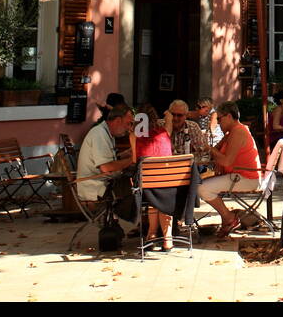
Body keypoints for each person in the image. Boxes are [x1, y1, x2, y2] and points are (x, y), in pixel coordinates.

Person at [198, 102, 262, 236]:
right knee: (200, 183)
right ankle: (227, 218)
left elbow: (226, 160)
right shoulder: (233, 131)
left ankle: (229, 218)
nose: (219, 123)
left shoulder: (238, 131)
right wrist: (211, 149)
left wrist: (208, 148)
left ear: (228, 116)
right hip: (239, 175)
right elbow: (216, 151)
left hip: (246, 178)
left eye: (219, 119)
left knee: (202, 187)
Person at [76, 104, 137, 227]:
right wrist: (133, 159)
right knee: (138, 191)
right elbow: (106, 167)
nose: (130, 128)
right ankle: (144, 225)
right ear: (118, 120)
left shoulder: (106, 132)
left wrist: (124, 155)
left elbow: (108, 160)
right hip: (94, 187)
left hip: (100, 182)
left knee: (135, 183)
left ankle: (141, 224)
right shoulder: (99, 134)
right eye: (128, 123)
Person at [132, 104, 174, 250]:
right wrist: (168, 114)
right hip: (169, 185)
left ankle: (151, 234)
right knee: (161, 192)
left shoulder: (134, 136)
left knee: (152, 197)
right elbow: (169, 121)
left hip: (148, 187)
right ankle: (167, 238)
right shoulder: (165, 132)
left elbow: (134, 160)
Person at [165, 99, 210, 168]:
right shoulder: (160, 126)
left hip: (188, 167)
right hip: (166, 166)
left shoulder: (193, 127)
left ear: (186, 116)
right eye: (173, 114)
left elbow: (203, 151)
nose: (175, 118)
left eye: (179, 115)